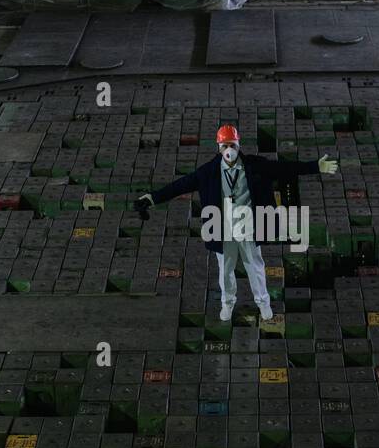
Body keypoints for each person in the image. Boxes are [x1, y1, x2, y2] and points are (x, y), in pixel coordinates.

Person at [135, 125, 338, 321]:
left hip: (249, 229)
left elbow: (285, 168)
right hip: (224, 232)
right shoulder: (208, 172)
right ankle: (228, 304)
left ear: (239, 144)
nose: (229, 150)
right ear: (218, 147)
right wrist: (152, 198)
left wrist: (315, 166)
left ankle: (263, 303)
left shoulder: (255, 165)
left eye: (232, 145)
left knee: (255, 268)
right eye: (225, 146)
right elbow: (180, 186)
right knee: (225, 272)